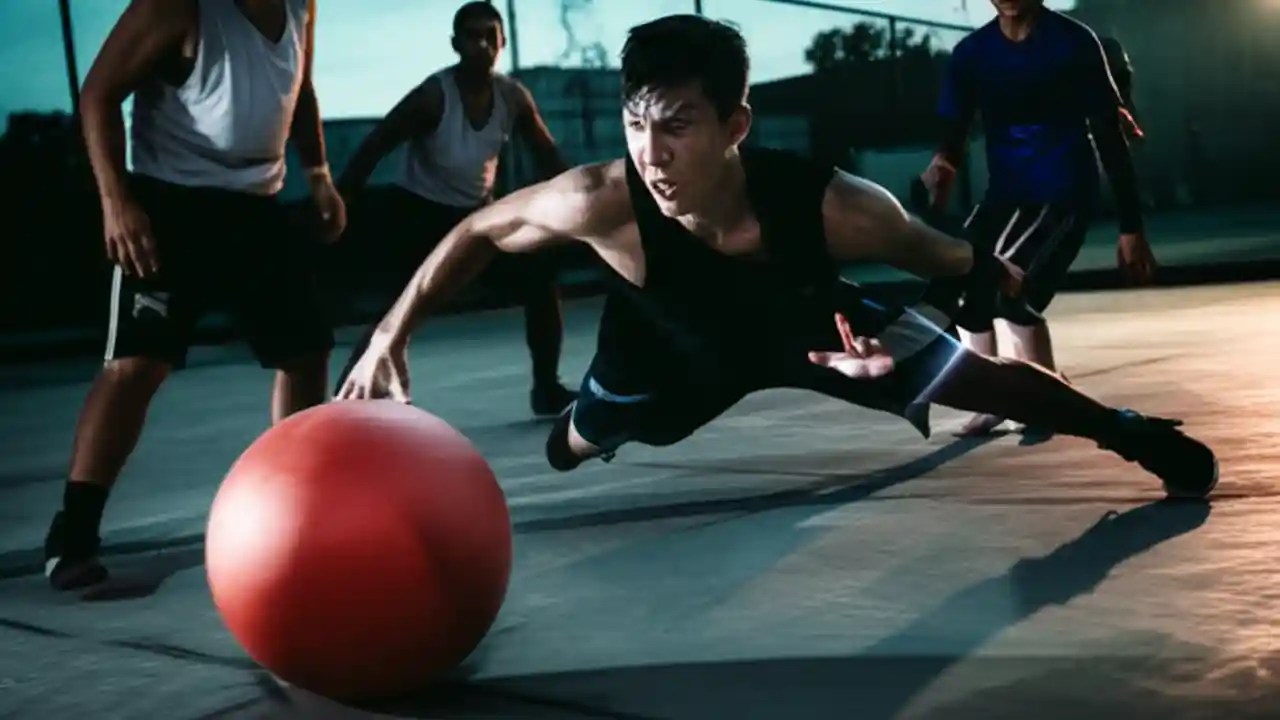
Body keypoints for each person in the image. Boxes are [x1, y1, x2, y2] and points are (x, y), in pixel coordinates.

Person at [337, 15, 1217, 502]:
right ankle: (587, 433)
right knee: (570, 447)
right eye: (637, 124)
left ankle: (1127, 431)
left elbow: (947, 256)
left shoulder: (836, 207)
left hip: (808, 329)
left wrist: (989, 287)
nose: (652, 151)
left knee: (968, 376)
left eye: (677, 125)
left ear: (736, 127)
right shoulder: (603, 199)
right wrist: (389, 334)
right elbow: (478, 230)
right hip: (662, 353)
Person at [44, 0, 344, 591]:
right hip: (171, 207)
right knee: (136, 366)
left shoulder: (300, 5)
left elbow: (301, 87)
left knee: (306, 352)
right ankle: (73, 533)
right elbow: (98, 95)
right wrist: (117, 202)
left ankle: (294, 507)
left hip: (255, 207)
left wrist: (319, 174)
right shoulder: (177, 6)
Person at [920, 0, 1156, 439]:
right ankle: (992, 399)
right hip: (1005, 194)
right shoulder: (972, 53)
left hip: (1063, 192)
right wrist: (943, 161)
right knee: (965, 279)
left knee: (1011, 291)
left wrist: (1131, 226)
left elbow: (1108, 134)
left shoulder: (1073, 43)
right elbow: (954, 129)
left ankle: (1047, 401)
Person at [333, 1, 575, 417]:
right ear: (455, 44)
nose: (482, 44)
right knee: (403, 308)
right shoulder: (433, 96)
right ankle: (347, 401)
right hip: (419, 216)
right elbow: (376, 144)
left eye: (490, 36)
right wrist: (338, 204)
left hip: (477, 218)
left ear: (502, 42)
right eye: (472, 36)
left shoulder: (512, 97)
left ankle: (546, 388)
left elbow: (547, 154)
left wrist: (578, 204)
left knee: (539, 273)